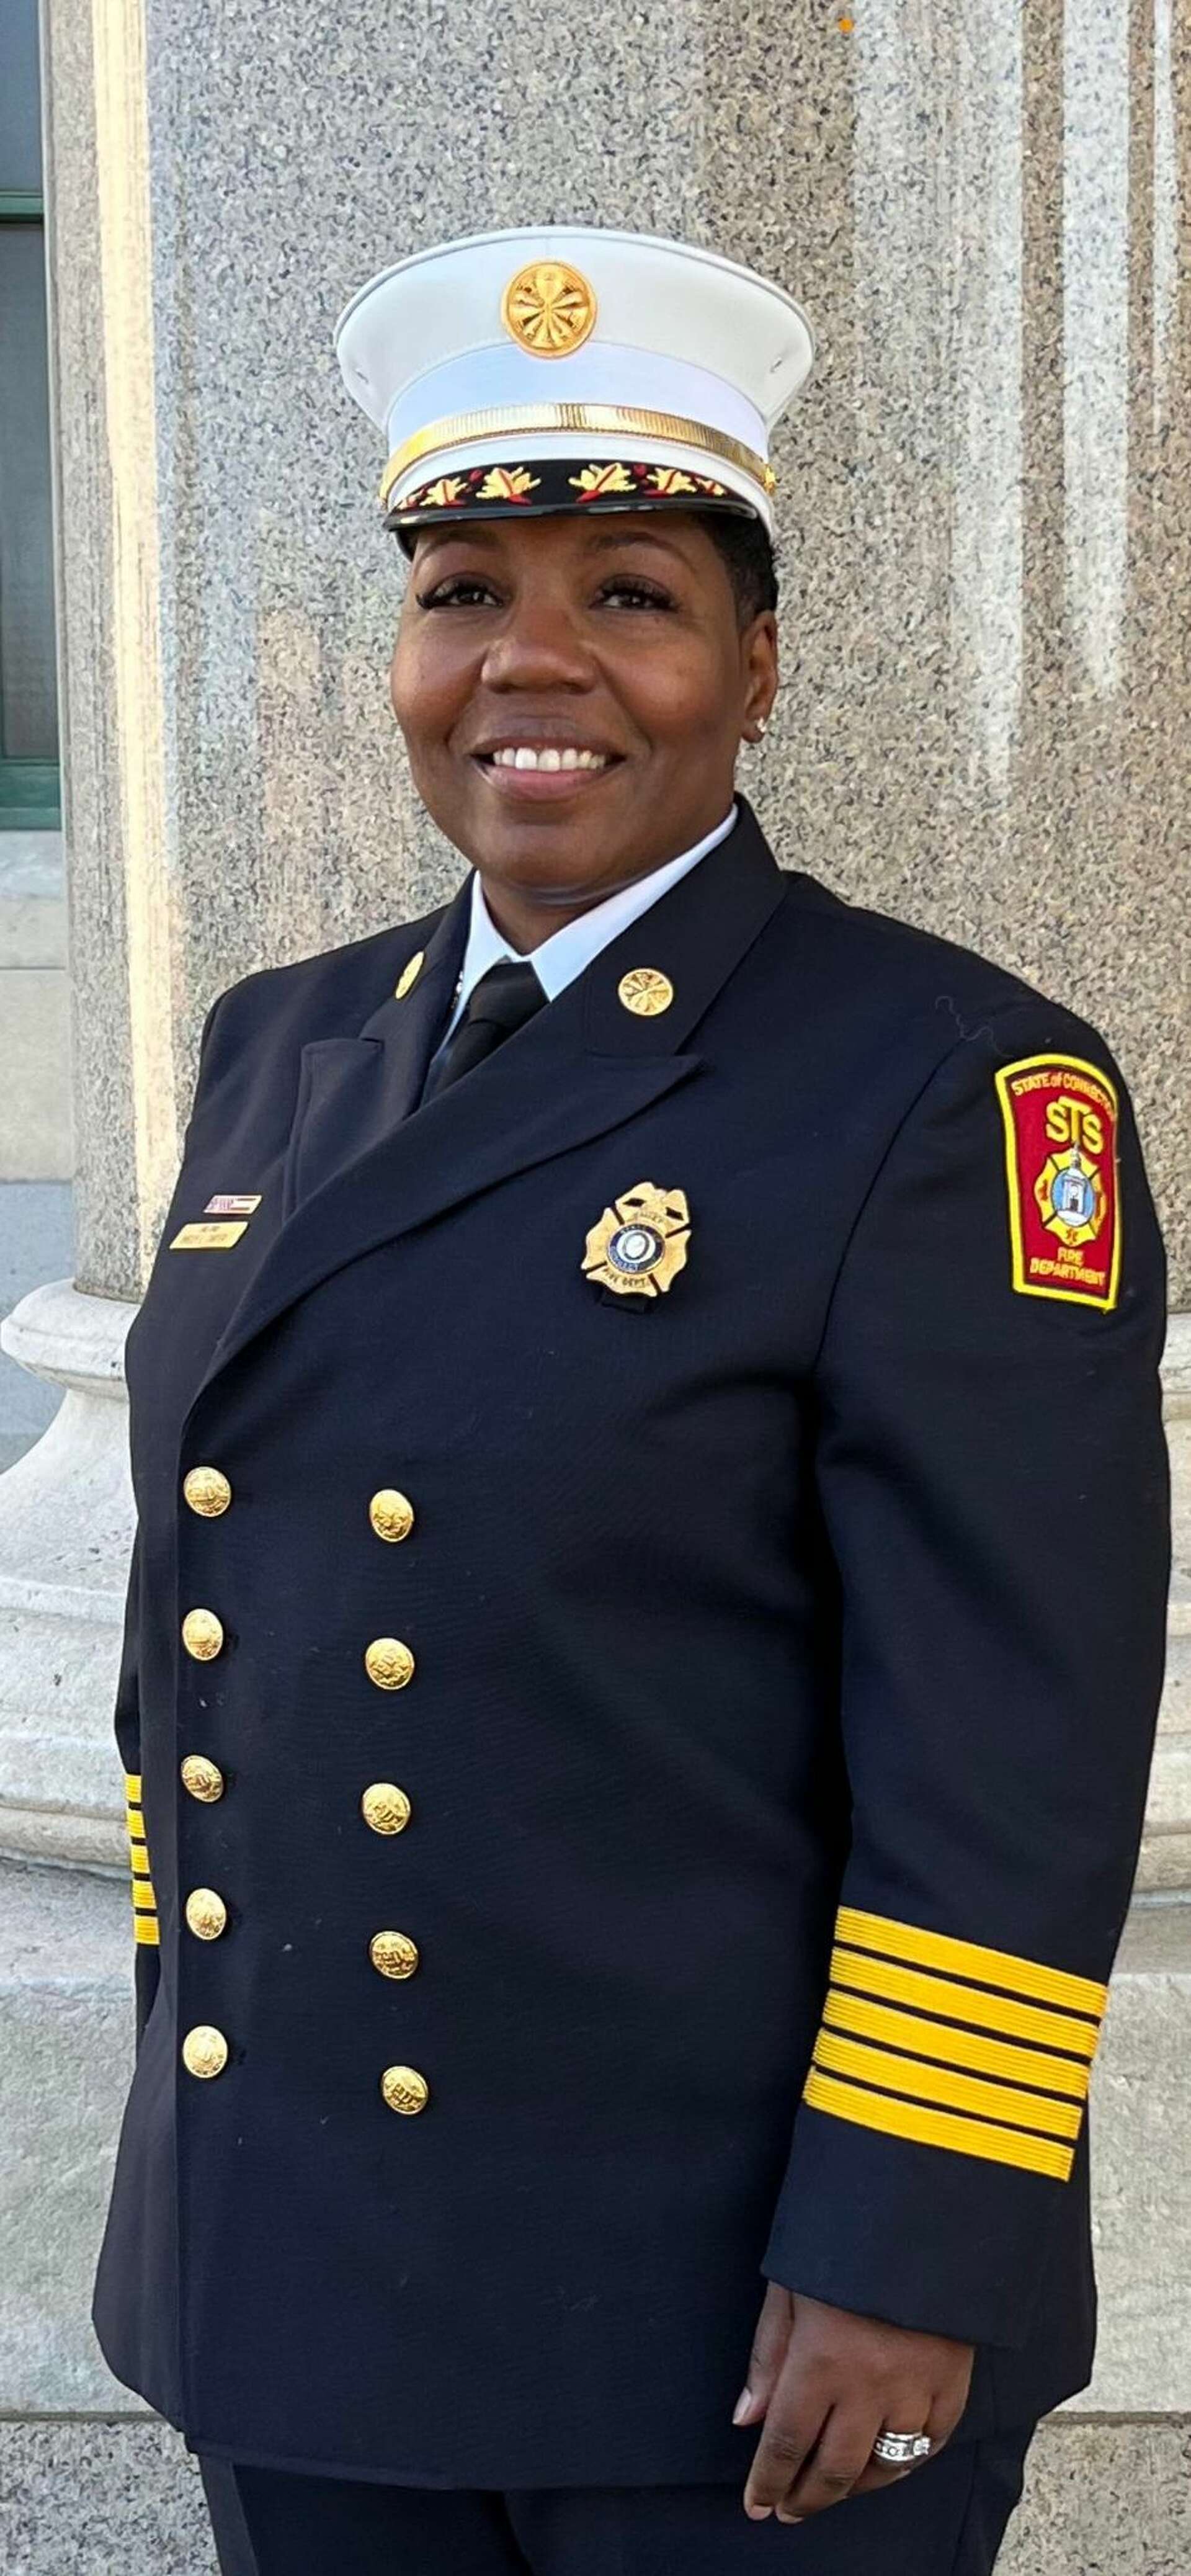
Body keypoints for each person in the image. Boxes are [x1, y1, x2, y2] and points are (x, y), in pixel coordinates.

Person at [90, 224, 1170, 2576]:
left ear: (758, 665)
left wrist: (916, 2238)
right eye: (464, 587)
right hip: (303, 2266)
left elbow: (1015, 1750)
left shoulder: (950, 1083)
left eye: (635, 594)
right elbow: (220, 1635)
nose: (533, 661)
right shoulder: (284, 1045)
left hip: (733, 2327)